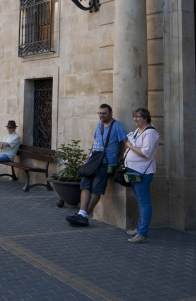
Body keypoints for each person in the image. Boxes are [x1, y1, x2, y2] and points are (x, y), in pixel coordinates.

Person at [67, 103, 127, 227]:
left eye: (104, 113)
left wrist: (126, 161)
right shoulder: (99, 125)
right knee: (85, 185)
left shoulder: (117, 126)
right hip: (93, 161)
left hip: (106, 163)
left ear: (110, 113)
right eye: (100, 113)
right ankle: (82, 214)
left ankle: (84, 216)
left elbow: (126, 143)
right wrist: (89, 154)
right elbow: (95, 142)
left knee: (96, 189)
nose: (101, 115)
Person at [122, 108, 159, 243]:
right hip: (133, 170)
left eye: (138, 117)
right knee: (140, 201)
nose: (135, 119)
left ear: (145, 118)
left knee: (144, 203)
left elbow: (145, 153)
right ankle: (139, 228)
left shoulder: (150, 133)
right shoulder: (139, 131)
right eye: (134, 117)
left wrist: (128, 146)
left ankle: (142, 233)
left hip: (142, 172)